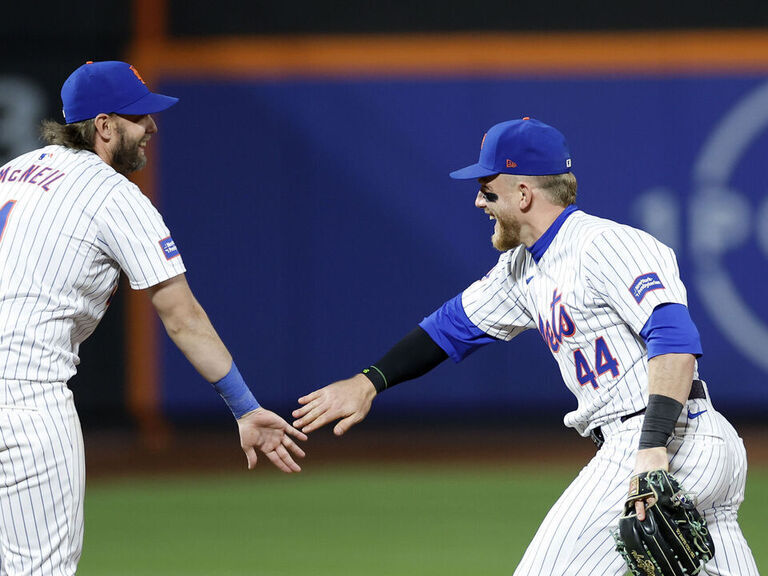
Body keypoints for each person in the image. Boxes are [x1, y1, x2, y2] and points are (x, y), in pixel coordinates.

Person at [292, 117, 758, 575]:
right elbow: (448, 328)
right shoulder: (522, 269)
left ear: (523, 194)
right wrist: (368, 383)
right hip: (692, 443)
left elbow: (675, 343)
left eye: (487, 190)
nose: (478, 201)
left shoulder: (604, 244)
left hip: (659, 439)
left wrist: (651, 450)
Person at [0, 60, 306, 575]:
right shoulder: (113, 194)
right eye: (139, 116)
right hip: (27, 403)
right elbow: (182, 317)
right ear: (103, 125)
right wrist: (244, 407)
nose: (152, 128)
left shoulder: (11, 172)